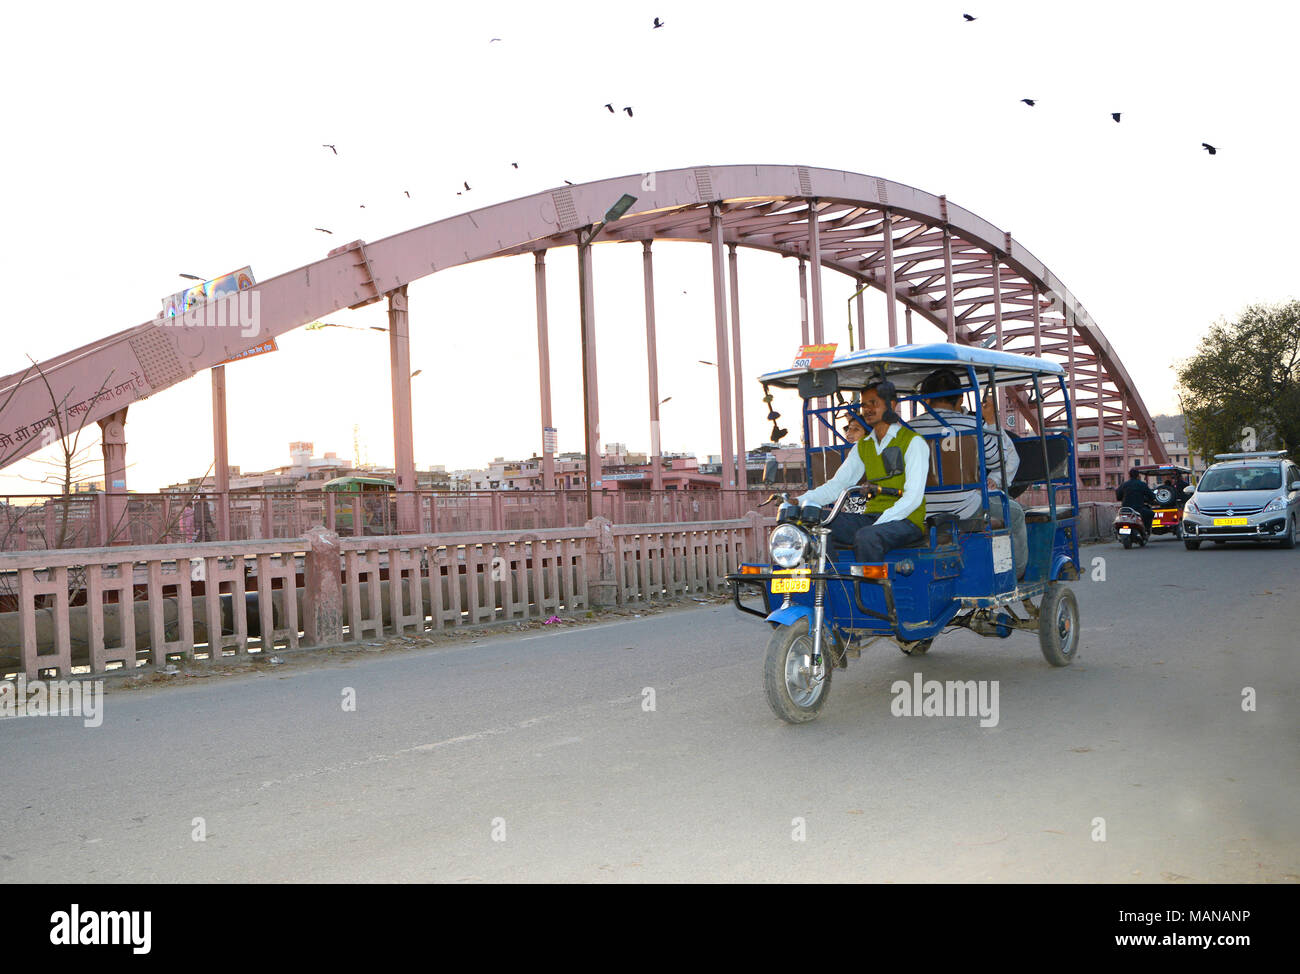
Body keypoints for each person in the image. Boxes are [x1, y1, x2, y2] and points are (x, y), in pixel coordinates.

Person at [908, 368, 1028, 577]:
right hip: (964, 509)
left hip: (920, 511)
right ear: (960, 398)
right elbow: (999, 458)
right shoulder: (972, 424)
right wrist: (990, 422)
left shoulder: (908, 429)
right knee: (1016, 513)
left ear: (926, 399)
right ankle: (1017, 573)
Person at [792, 380, 928, 561]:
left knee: (867, 536)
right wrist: (799, 502)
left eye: (874, 403)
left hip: (907, 520)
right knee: (810, 521)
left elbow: (913, 498)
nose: (868, 409)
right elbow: (838, 485)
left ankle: (870, 590)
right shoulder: (863, 446)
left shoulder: (913, 442)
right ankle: (836, 583)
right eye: (864, 404)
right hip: (872, 518)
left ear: (892, 405)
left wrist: (878, 524)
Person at [1115, 468, 1158, 534]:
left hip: (1125, 509)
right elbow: (1151, 495)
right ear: (1138, 476)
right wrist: (1152, 499)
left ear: (1129, 476)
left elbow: (1118, 497)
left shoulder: (1124, 485)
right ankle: (1146, 530)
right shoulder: (1142, 484)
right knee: (1151, 513)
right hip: (1137, 509)